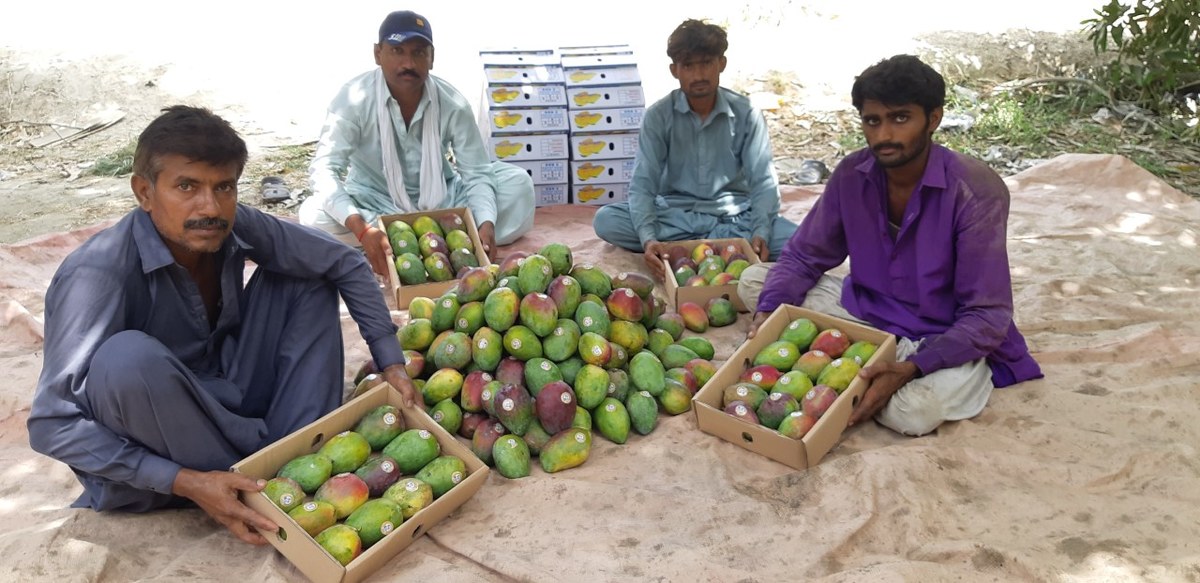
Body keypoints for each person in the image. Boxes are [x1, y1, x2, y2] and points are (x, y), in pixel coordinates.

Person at [27, 106, 418, 546]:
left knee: (308, 276)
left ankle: (295, 463)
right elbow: (51, 424)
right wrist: (187, 481)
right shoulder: (96, 273)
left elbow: (343, 259)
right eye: (186, 187)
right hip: (165, 450)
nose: (209, 207)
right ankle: (243, 488)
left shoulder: (226, 225)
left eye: (224, 187)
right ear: (144, 192)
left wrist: (392, 363)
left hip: (231, 397)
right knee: (125, 359)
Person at [738, 55, 1042, 436]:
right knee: (754, 281)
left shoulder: (975, 191)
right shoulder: (852, 175)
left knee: (913, 412)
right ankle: (868, 366)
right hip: (868, 313)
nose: (883, 136)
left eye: (900, 118)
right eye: (872, 120)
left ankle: (907, 370)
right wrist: (767, 314)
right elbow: (803, 255)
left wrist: (911, 367)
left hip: (940, 334)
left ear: (933, 119)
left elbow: (987, 315)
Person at [300, 10, 535, 277]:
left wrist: (485, 222)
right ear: (378, 54)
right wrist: (362, 228)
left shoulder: (452, 103)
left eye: (418, 53)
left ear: (431, 58)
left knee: (517, 184)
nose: (408, 63)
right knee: (312, 216)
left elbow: (477, 172)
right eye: (397, 51)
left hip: (443, 202)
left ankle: (423, 237)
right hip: (374, 203)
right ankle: (429, 237)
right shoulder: (353, 100)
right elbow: (324, 168)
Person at [592, 19, 798, 281]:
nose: (699, 75)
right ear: (674, 70)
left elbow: (764, 183)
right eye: (689, 65)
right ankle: (721, 245)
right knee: (606, 220)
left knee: (801, 241)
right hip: (677, 215)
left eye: (707, 63)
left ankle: (695, 245)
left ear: (721, 64)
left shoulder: (746, 113)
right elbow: (643, 184)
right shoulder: (658, 116)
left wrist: (760, 232)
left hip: (735, 217)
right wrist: (649, 239)